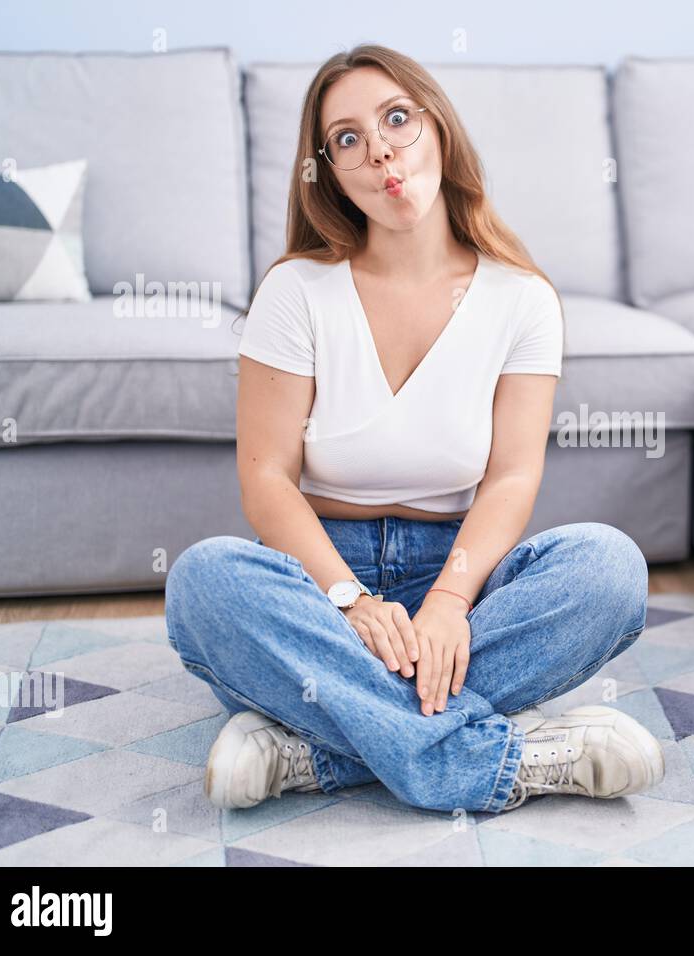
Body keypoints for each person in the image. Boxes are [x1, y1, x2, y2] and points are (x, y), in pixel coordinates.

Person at [163, 44, 663, 816]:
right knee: (205, 581)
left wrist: (451, 603)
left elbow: (510, 480)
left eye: (397, 118)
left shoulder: (522, 298)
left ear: (439, 129)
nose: (381, 151)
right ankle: (502, 756)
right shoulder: (296, 291)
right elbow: (266, 480)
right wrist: (349, 603)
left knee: (611, 569)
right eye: (349, 139)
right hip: (320, 582)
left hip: (459, 570)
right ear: (329, 170)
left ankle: (316, 749)